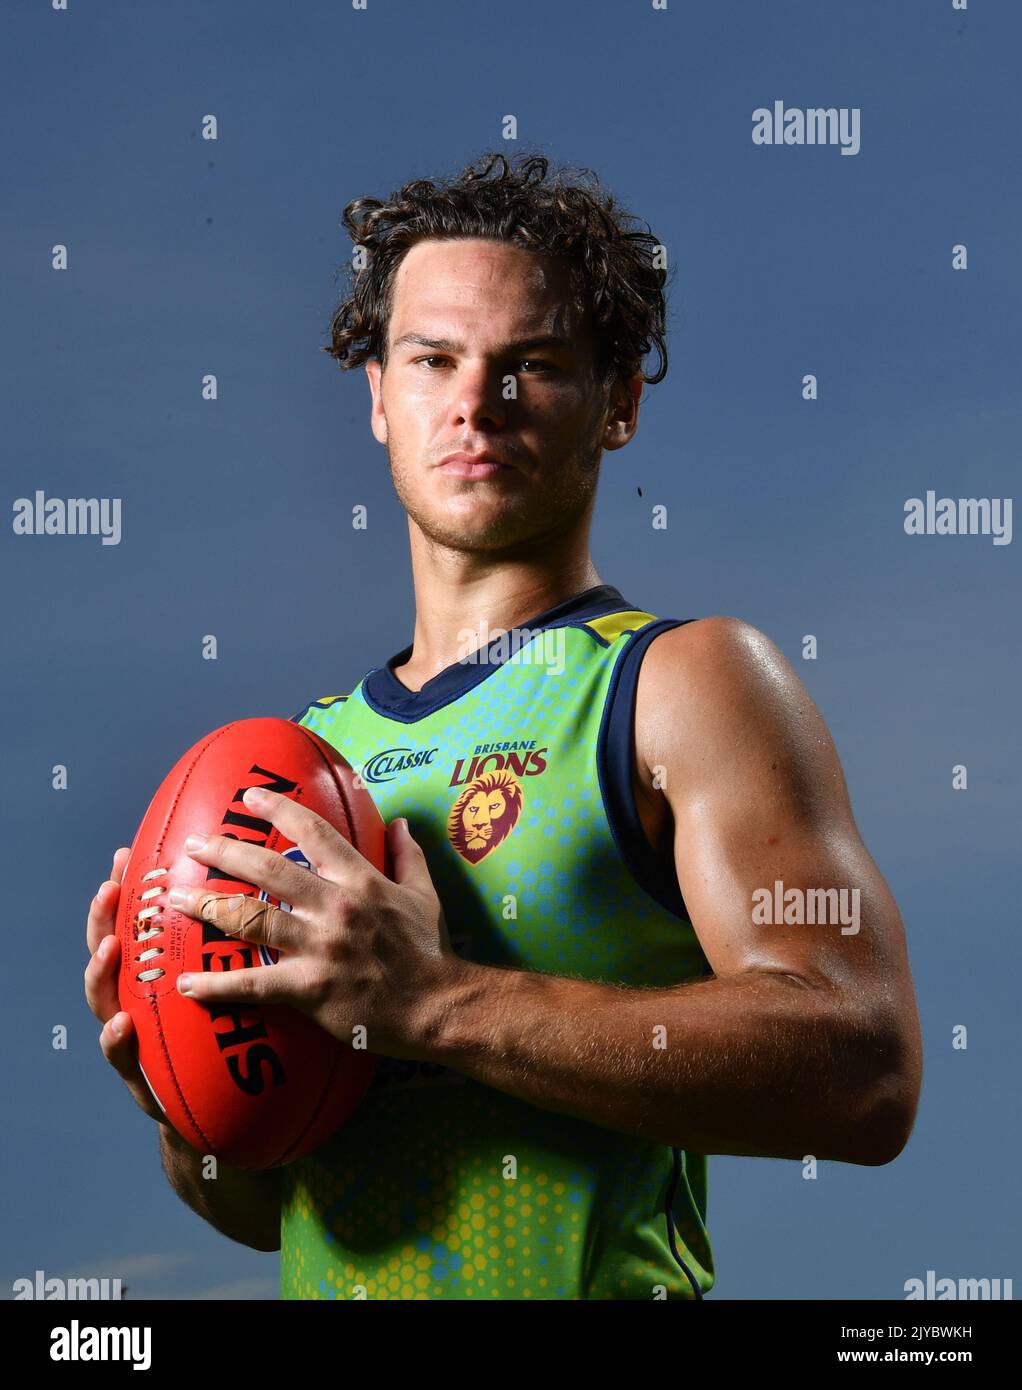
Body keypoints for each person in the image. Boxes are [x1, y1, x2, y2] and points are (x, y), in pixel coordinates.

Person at [85, 151, 922, 1301]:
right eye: (432, 358)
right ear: (378, 397)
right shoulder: (306, 765)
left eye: (532, 363)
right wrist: (183, 1097)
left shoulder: (678, 682)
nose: (475, 401)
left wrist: (434, 1004)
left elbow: (863, 1065)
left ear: (618, 404)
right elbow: (264, 1207)